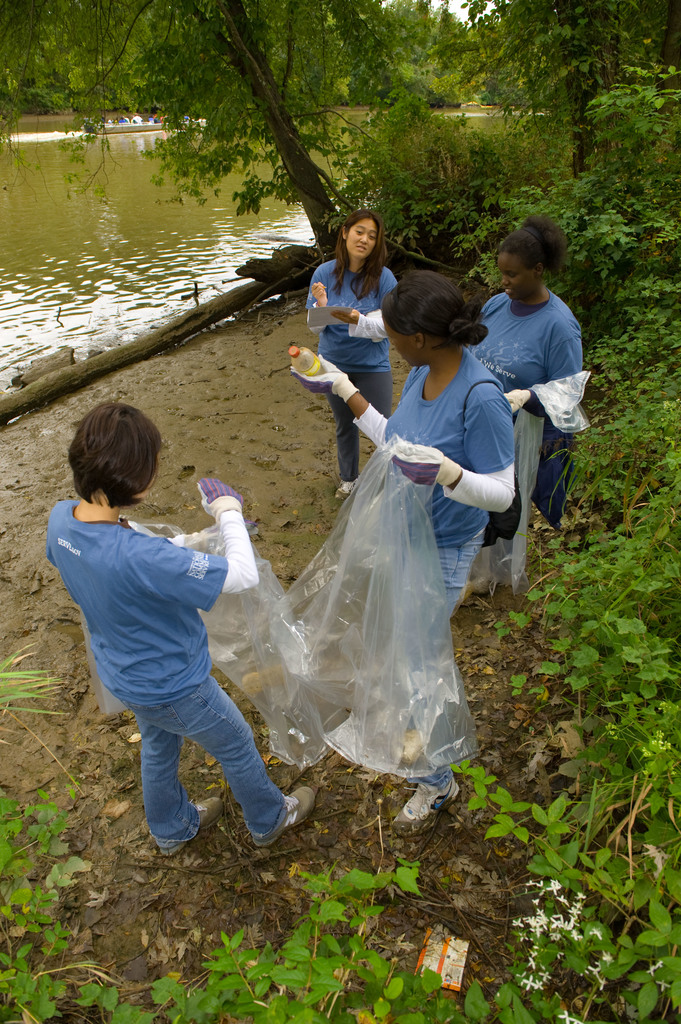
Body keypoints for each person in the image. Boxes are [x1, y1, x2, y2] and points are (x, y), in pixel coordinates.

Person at [292, 270, 515, 832]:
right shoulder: (421, 371)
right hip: (405, 532)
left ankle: (437, 780)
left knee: (417, 663)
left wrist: (450, 474)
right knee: (400, 648)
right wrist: (341, 385)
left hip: (445, 545)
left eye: (390, 332)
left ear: (418, 337)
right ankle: (419, 750)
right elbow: (396, 441)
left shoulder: (481, 397)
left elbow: (504, 492)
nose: (386, 340)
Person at [46, 402, 314, 855]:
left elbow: (116, 552)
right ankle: (270, 818)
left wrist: (188, 544)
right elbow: (242, 576)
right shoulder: (140, 557)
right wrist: (228, 512)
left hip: (124, 672)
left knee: (158, 745)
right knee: (236, 742)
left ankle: (170, 828)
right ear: (134, 480)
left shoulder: (61, 519)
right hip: (174, 684)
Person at [474, 214, 583, 527]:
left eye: (512, 274)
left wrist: (526, 396)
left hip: (523, 442)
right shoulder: (496, 305)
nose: (504, 281)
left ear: (537, 270)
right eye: (502, 273)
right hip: (482, 429)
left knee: (508, 521)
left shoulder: (559, 326)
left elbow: (567, 394)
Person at [306, 209, 397, 499]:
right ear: (345, 233)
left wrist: (359, 320)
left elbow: (391, 326)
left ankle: (389, 481)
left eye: (372, 236)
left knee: (382, 427)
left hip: (373, 365)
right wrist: (322, 305)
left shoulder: (384, 278)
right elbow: (315, 328)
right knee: (345, 425)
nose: (364, 240)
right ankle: (349, 480)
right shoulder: (324, 273)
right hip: (334, 365)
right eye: (359, 232)